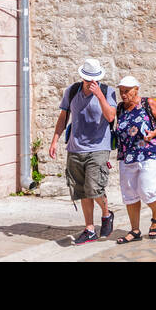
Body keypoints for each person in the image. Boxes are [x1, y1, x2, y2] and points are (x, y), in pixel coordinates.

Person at [48, 58, 117, 244]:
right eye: (87, 79)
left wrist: (99, 96)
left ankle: (106, 213)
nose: (90, 83)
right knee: (81, 190)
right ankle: (89, 228)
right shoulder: (71, 91)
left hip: (99, 148)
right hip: (75, 147)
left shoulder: (107, 92)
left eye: (93, 79)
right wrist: (54, 141)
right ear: (82, 77)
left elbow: (110, 116)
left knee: (94, 188)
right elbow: (63, 117)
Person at [112, 75, 156, 242]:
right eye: (121, 91)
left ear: (136, 90)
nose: (123, 95)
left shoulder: (149, 103)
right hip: (127, 155)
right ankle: (135, 230)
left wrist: (153, 133)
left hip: (150, 153)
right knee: (129, 194)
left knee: (147, 190)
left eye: (127, 91)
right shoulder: (120, 108)